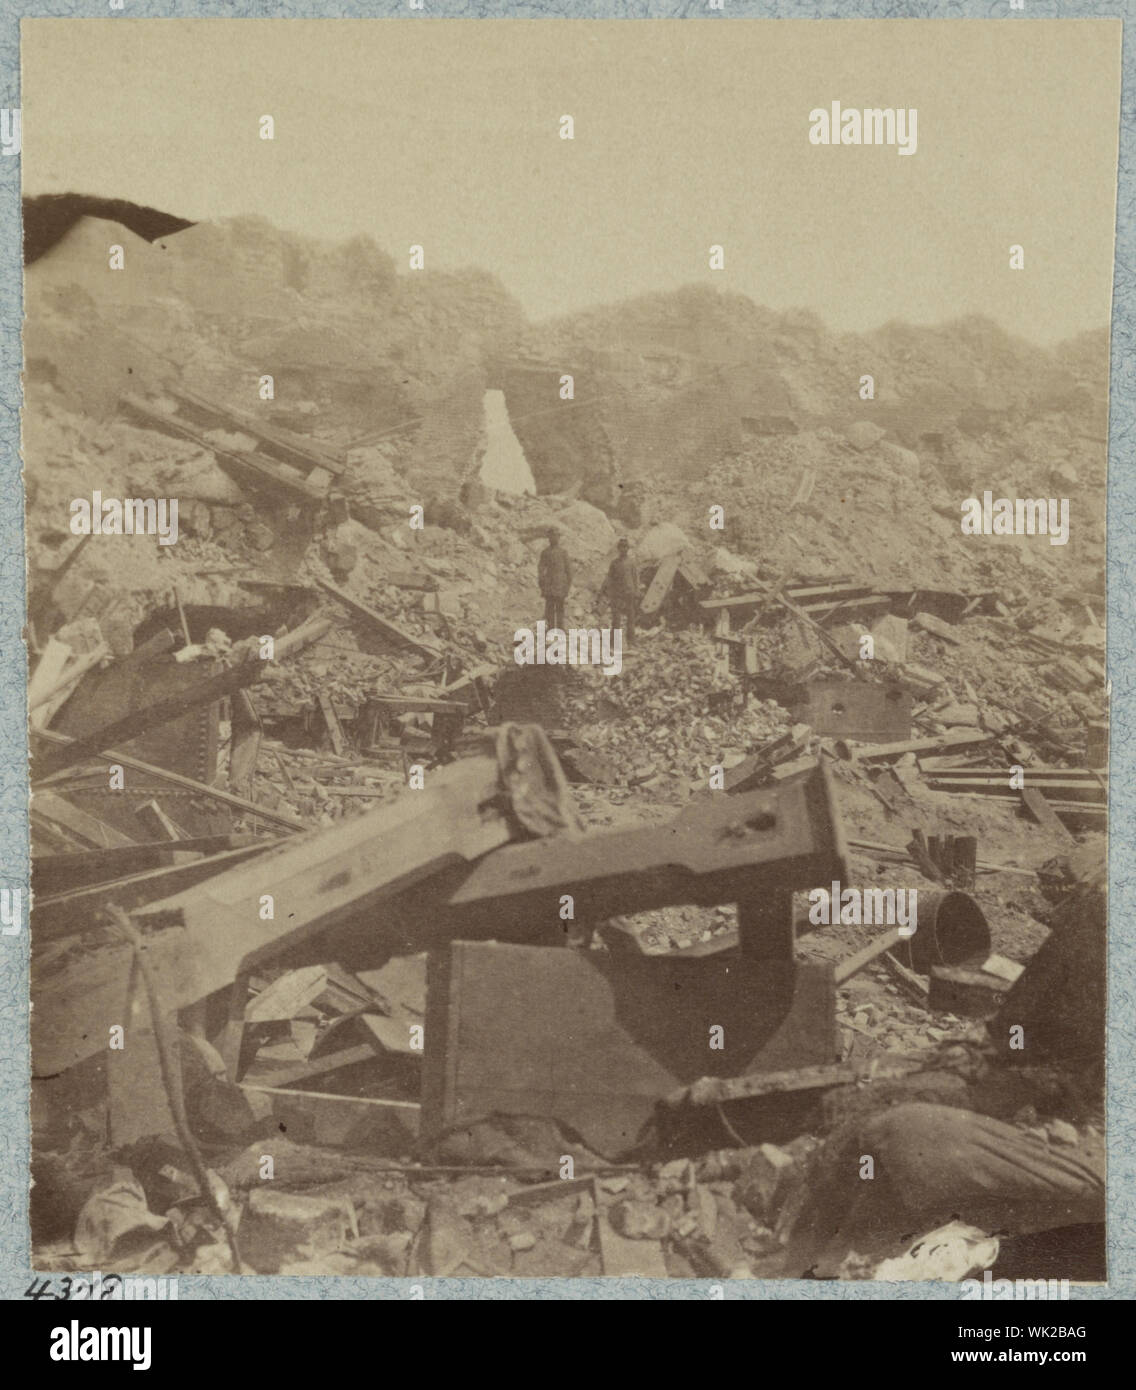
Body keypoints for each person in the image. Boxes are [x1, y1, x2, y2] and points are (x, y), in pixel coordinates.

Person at [602, 537, 639, 641]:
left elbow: (635, 578)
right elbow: (610, 578)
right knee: (616, 619)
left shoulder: (632, 563)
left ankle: (631, 641)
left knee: (631, 618)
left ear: (628, 548)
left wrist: (636, 592)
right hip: (617, 594)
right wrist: (609, 592)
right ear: (618, 548)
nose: (623, 549)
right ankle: (614, 642)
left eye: (625, 547)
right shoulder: (614, 563)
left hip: (629, 593)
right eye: (621, 547)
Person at [538, 527, 572, 631]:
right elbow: (541, 569)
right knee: (550, 609)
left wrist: (567, 586)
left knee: (560, 608)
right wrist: (542, 584)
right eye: (552, 536)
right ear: (549, 537)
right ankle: (551, 629)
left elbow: (569, 571)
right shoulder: (545, 553)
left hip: (560, 586)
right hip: (549, 586)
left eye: (557, 536)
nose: (554, 538)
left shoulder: (563, 553)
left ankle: (560, 629)